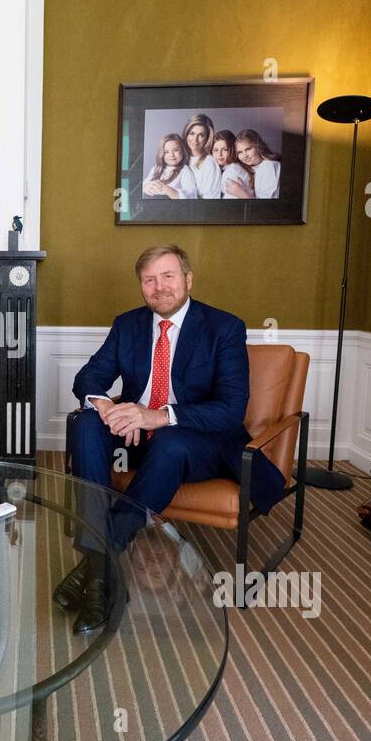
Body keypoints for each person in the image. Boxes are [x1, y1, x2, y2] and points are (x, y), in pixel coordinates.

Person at [59, 245, 285, 634]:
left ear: (188, 280)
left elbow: (230, 409)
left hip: (200, 440)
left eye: (167, 276)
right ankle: (103, 568)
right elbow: (88, 378)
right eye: (149, 280)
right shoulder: (128, 324)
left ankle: (97, 566)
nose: (159, 287)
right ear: (142, 287)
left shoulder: (223, 327)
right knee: (84, 422)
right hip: (134, 436)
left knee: (171, 440)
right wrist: (110, 409)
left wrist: (158, 416)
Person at [226, 129, 282, 199]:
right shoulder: (255, 169)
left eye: (248, 149)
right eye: (240, 152)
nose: (245, 155)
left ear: (258, 146)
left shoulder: (268, 166)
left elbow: (265, 207)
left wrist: (241, 194)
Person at [142, 133, 197, 199]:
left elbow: (191, 195)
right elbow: (144, 183)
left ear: (183, 151)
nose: (171, 155)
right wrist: (147, 186)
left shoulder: (185, 171)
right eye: (166, 152)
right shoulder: (156, 168)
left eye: (175, 150)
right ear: (162, 154)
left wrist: (168, 190)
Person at [182, 114, 223, 199]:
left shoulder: (209, 163)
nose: (195, 139)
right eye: (192, 133)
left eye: (201, 135)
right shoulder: (179, 157)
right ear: (186, 133)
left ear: (207, 138)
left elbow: (211, 199)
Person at [211, 129, 253, 199]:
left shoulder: (233, 171)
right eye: (216, 150)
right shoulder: (230, 168)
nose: (219, 154)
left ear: (232, 149)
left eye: (225, 150)